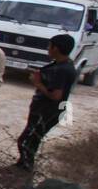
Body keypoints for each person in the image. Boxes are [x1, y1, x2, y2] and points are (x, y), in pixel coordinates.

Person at [16, 34, 78, 171]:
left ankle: (25, 170)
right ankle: (21, 166)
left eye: (50, 46)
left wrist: (37, 83)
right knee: (30, 140)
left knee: (27, 141)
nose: (48, 49)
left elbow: (56, 95)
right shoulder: (61, 64)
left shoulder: (63, 69)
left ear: (56, 48)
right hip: (44, 109)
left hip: (48, 110)